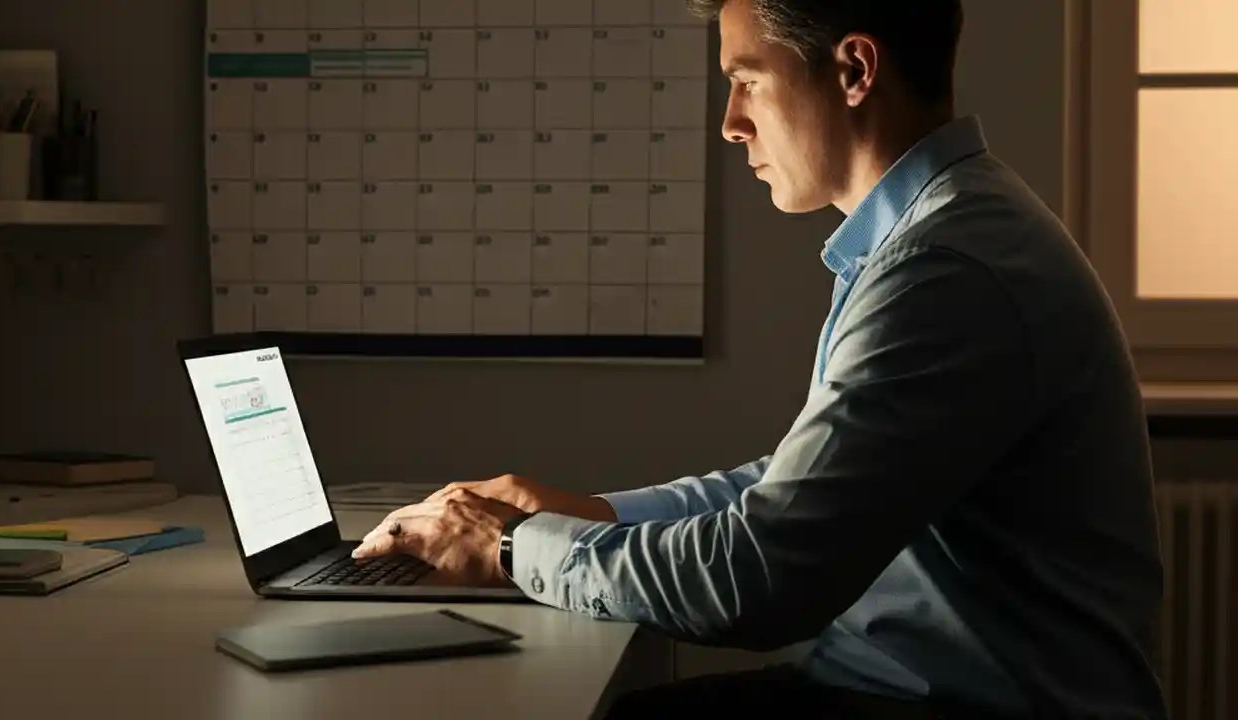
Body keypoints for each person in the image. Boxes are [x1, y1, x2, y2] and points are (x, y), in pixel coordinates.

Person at [353, 0, 1168, 717]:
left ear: (853, 69)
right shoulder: (936, 235)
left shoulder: (946, 268)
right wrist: (586, 514)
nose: (730, 121)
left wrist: (506, 550)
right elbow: (797, 485)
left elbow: (759, 580)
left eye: (748, 78)